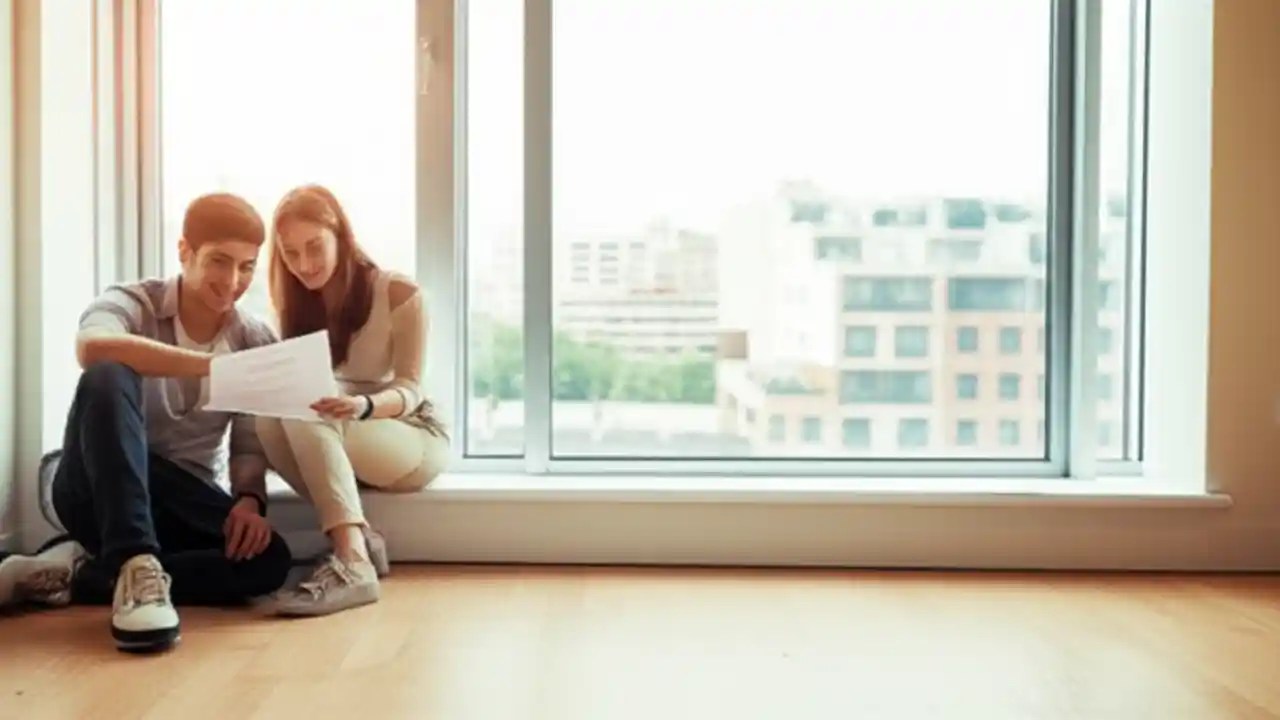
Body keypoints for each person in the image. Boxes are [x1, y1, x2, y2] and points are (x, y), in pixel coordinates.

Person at [0, 193, 293, 652]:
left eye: (246, 267)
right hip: (94, 488)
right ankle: (134, 561)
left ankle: (81, 573)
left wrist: (250, 499)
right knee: (108, 373)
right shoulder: (133, 301)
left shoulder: (253, 338)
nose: (233, 281)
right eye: (219, 261)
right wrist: (211, 367)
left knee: (269, 559)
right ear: (184, 251)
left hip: (176, 498)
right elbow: (91, 347)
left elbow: (249, 443)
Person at [256, 185, 448, 617]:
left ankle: (353, 563)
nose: (304, 264)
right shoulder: (294, 307)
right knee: (269, 420)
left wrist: (363, 407)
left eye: (314, 247)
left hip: (411, 433)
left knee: (307, 415)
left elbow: (411, 388)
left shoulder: (398, 292)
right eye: (291, 253)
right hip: (346, 431)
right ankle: (360, 539)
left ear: (341, 237)